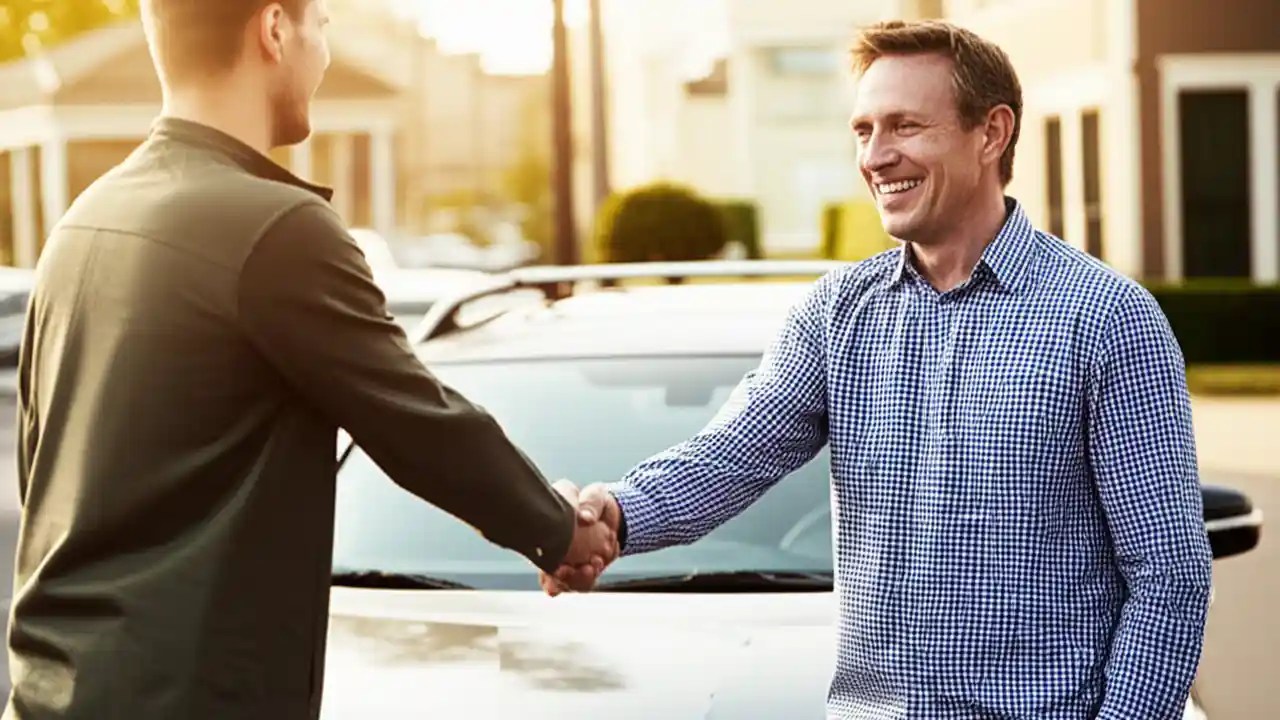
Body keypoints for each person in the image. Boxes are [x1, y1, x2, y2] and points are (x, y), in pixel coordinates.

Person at [544, 19, 1213, 720]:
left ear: (991, 133)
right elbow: (731, 456)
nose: (876, 156)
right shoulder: (837, 313)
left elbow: (1168, 576)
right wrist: (612, 516)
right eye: (863, 130)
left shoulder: (1106, 319)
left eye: (905, 126)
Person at [5, 1, 616, 718]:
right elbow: (422, 424)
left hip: (48, 692)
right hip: (186, 698)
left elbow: (37, 465)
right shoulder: (278, 228)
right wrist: (559, 529)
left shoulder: (81, 225)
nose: (324, 51)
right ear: (274, 30)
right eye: (321, 25)